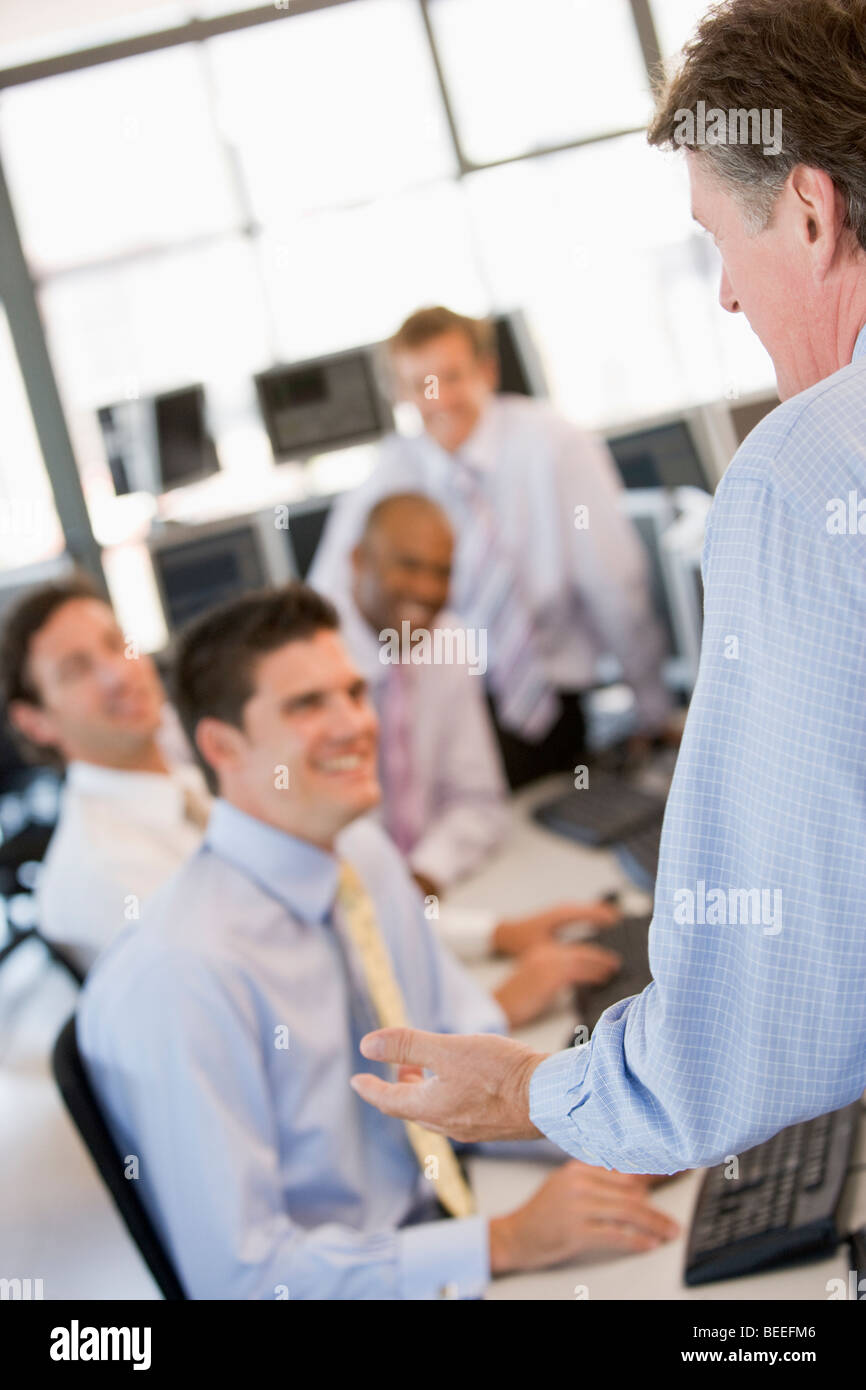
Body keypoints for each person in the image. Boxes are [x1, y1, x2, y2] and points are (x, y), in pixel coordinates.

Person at [350, 0, 866, 1174]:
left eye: (715, 240)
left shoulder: (802, 469)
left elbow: (769, 988)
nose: (727, 295)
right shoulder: (392, 484)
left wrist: (544, 1087)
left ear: (804, 209)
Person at [77, 585, 677, 1299]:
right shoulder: (183, 972)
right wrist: (506, 1241)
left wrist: (610, 1126)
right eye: (307, 706)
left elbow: (462, 1050)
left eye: (353, 692)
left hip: (450, 1210)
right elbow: (240, 1277)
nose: (353, 724)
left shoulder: (361, 857)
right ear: (221, 746)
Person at [310, 305, 674, 787]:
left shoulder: (553, 443)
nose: (439, 400)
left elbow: (613, 581)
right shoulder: (392, 473)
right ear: (399, 393)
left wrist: (653, 707)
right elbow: (328, 597)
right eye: (421, 385)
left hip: (547, 694)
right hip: (445, 707)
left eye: (453, 377)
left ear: (487, 370)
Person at [343, 490, 624, 1027]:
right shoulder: (315, 668)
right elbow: (345, 897)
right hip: (376, 946)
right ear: (359, 560)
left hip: (436, 910)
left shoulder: (446, 640)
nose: (426, 590)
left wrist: (425, 876)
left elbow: (477, 801)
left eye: (441, 572)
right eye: (409, 566)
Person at [0, 576, 210, 974]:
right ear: (35, 722)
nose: (119, 675)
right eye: (76, 670)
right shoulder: (101, 869)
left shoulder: (188, 785)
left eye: (117, 645)